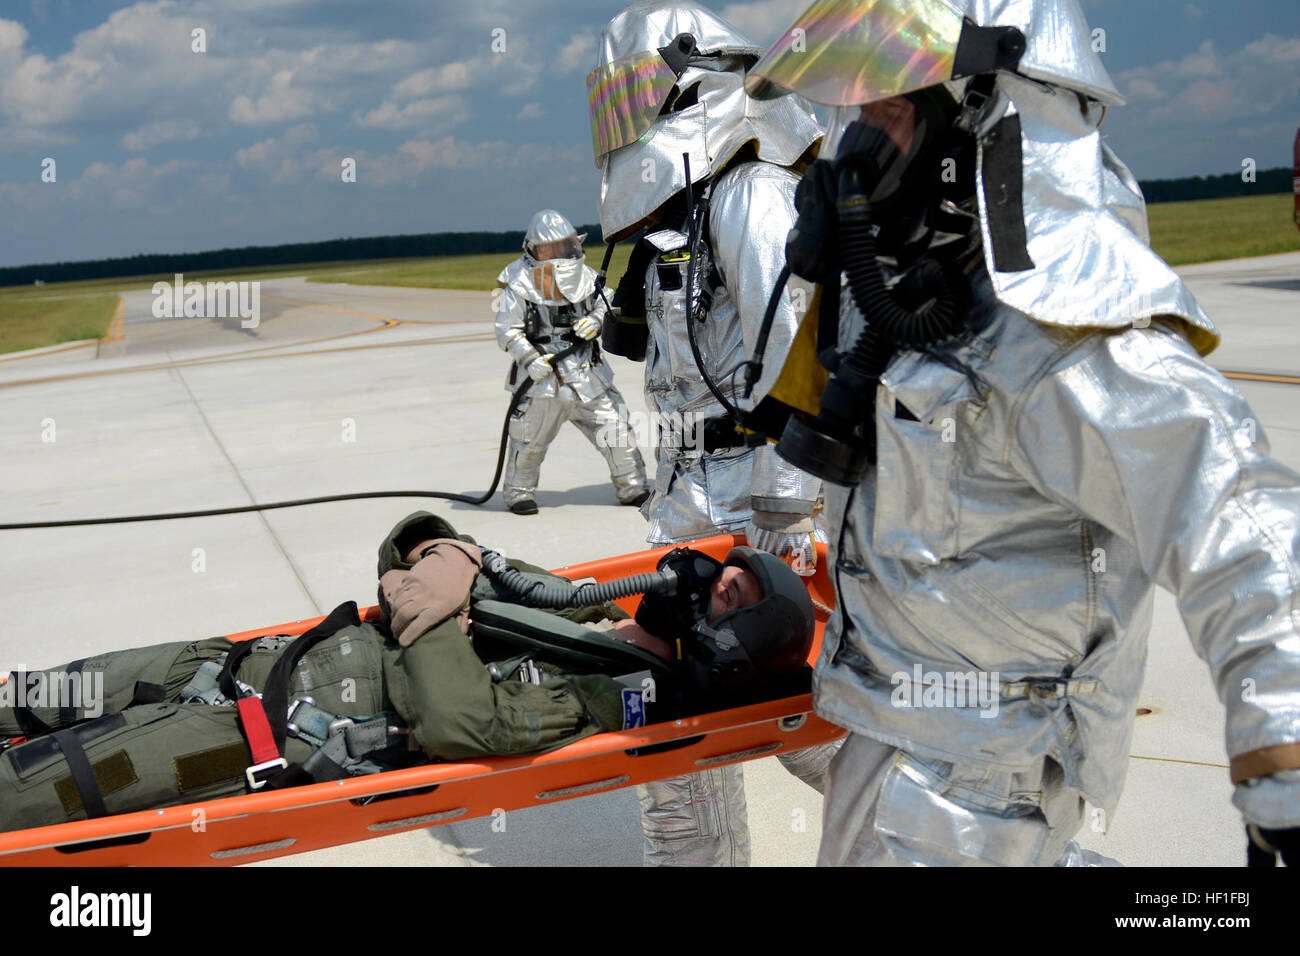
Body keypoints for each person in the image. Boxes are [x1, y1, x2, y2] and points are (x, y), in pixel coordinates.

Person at [743, 0, 1300, 866]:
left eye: (888, 103)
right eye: (857, 107)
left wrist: (1284, 770)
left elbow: (1241, 516)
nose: (856, 139)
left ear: (984, 104)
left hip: (973, 776)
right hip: (901, 740)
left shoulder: (1064, 331)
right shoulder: (931, 297)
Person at [0, 511, 815, 834]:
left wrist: (432, 607)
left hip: (238, 735)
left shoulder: (611, 695)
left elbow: (458, 722)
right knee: (21, 700)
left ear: (729, 645)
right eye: (717, 572)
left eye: (725, 593)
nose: (700, 583)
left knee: (17, 792)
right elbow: (416, 551)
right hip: (225, 662)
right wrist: (446, 559)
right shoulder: (588, 611)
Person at [588, 0, 841, 867]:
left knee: (802, 713)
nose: (621, 124)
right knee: (672, 719)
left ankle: (932, 843)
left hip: (763, 502)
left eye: (630, 98)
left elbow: (801, 361)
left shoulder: (751, 190)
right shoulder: (685, 212)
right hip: (690, 498)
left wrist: (788, 525)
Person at [495, 209, 648, 515]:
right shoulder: (519, 283)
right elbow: (507, 330)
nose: (557, 255)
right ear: (532, 250)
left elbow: (608, 305)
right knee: (528, 442)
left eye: (563, 247)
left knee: (617, 431)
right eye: (549, 249)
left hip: (588, 374)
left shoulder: (589, 277)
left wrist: (596, 321)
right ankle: (519, 492)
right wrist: (528, 357)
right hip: (542, 380)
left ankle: (633, 487)